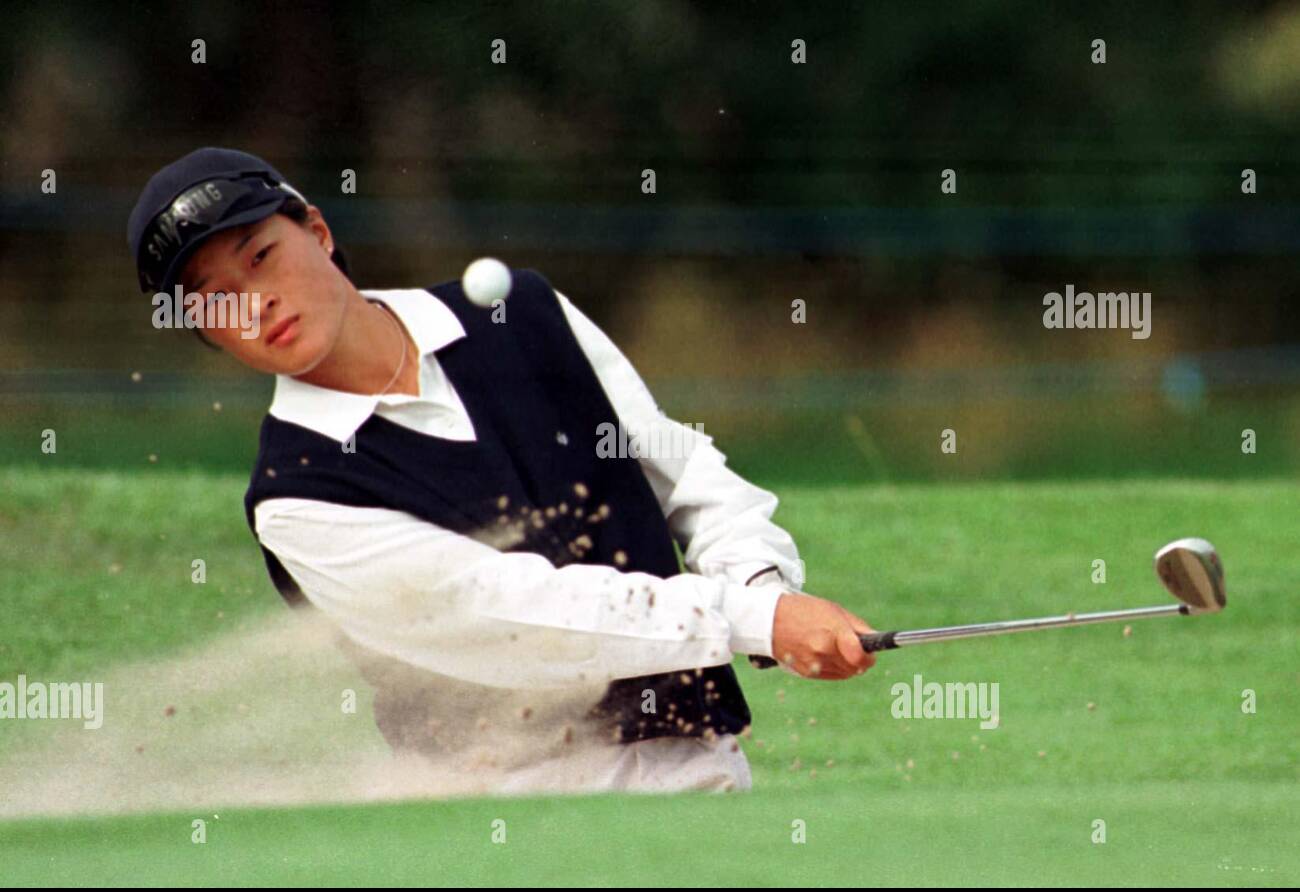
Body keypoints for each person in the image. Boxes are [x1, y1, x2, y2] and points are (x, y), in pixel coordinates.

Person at [127, 147, 877, 795]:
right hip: (508, 827)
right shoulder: (298, 499)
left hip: (701, 776)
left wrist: (762, 587)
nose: (255, 303)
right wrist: (756, 622)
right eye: (215, 301)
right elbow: (522, 615)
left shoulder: (523, 315)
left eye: (261, 257)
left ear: (318, 231)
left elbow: (683, 476)